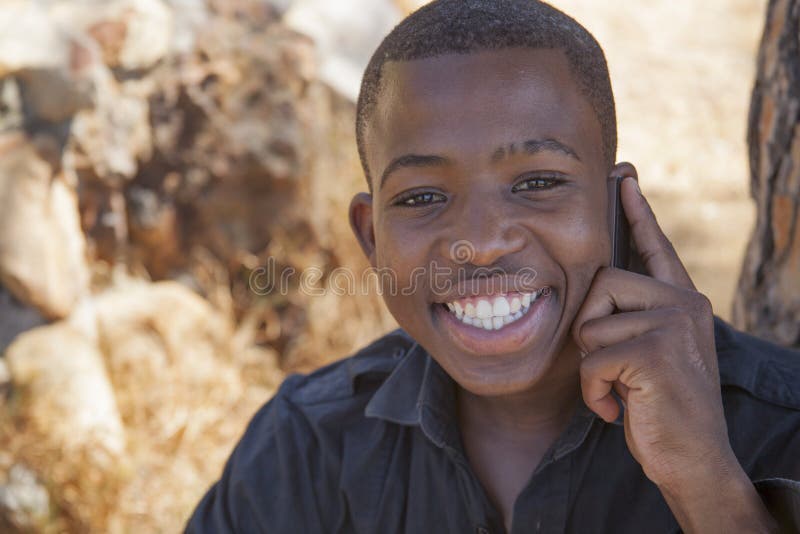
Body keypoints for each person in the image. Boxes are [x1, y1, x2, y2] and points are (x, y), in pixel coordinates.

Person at [185, 1, 800, 532]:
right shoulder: (307, 448)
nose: (479, 243)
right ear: (373, 239)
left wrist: (708, 486)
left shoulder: (777, 428)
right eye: (423, 197)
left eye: (537, 182)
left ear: (619, 206)